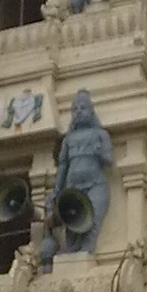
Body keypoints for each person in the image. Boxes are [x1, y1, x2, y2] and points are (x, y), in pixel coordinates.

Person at [47, 90, 111, 254]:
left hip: (96, 184)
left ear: (91, 111)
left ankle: (87, 249)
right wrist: (56, 191)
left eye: (83, 108)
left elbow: (108, 160)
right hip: (73, 187)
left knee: (93, 219)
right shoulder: (68, 140)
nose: (78, 112)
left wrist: (99, 153)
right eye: (74, 109)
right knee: (71, 220)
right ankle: (72, 248)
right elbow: (63, 166)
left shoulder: (100, 135)